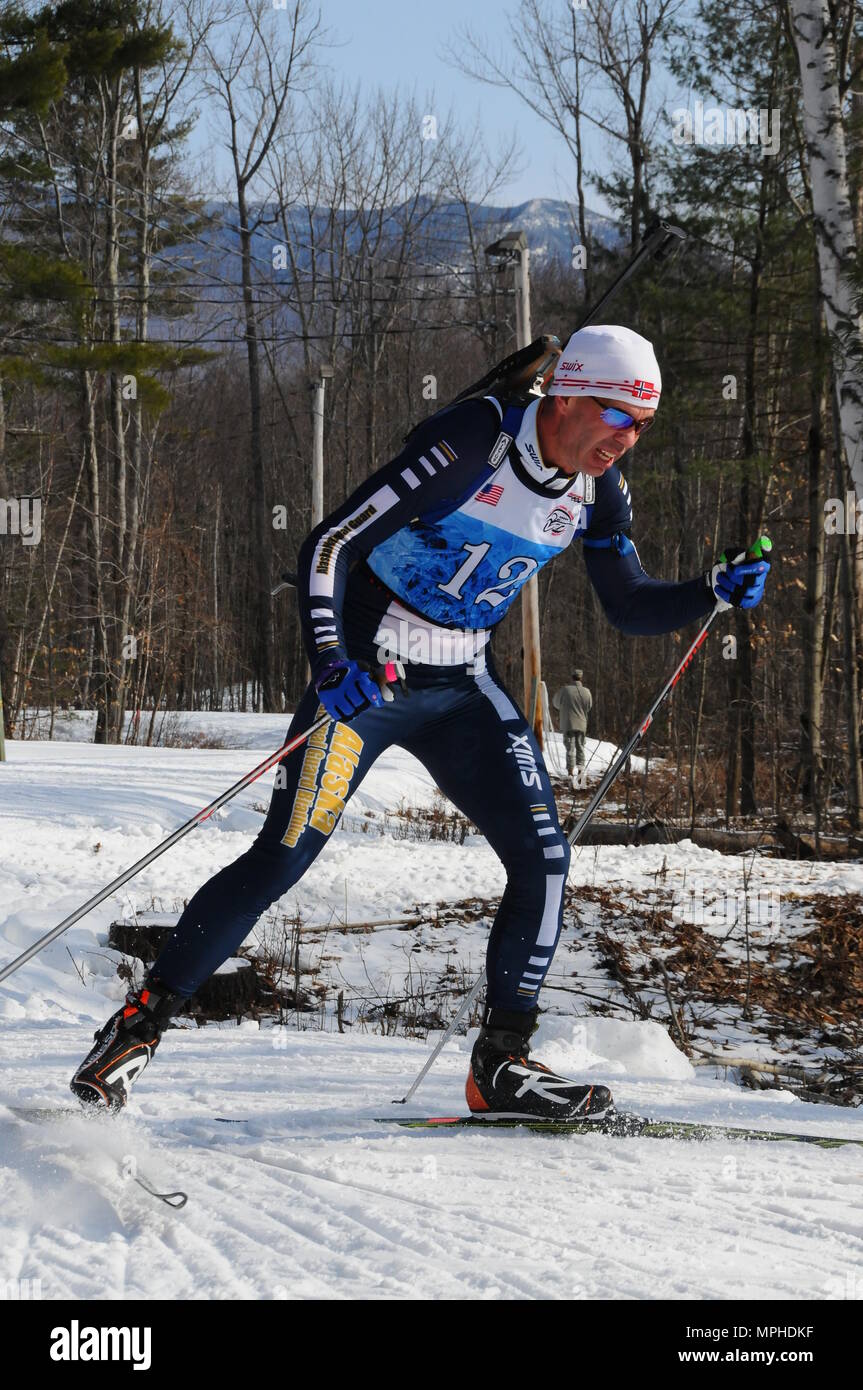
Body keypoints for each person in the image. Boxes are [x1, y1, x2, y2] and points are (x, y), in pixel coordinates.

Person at [70, 325, 770, 1120]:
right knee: (284, 855)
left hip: (465, 685)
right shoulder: (474, 441)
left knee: (543, 859)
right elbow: (330, 542)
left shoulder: (596, 488)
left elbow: (629, 606)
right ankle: (137, 1027)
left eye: (641, 424)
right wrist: (331, 657)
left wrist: (710, 588)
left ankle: (500, 1066)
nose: (626, 439)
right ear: (567, 395)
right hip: (370, 680)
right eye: (615, 416)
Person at [553, 670, 592, 786]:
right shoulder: (587, 692)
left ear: (572, 677)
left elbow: (555, 703)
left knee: (570, 749)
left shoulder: (565, 690)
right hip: (581, 724)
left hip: (568, 723)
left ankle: (570, 774)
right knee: (580, 748)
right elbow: (589, 706)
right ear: (581, 678)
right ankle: (581, 775)